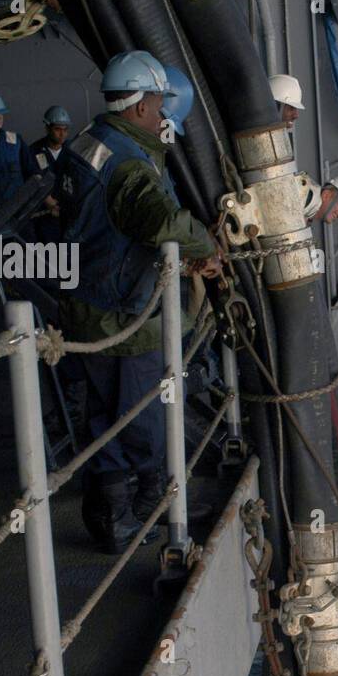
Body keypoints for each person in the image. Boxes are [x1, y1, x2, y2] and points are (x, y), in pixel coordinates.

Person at [57, 52, 220, 554]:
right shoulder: (131, 165)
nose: (159, 112)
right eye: (155, 103)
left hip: (87, 304)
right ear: (139, 106)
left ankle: (109, 516)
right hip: (126, 309)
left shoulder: (88, 143)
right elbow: (162, 224)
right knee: (143, 412)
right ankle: (152, 502)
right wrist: (205, 247)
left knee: (104, 413)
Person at [30, 105, 72, 242]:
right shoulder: (34, 152)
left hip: (69, 213)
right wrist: (49, 203)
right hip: (44, 215)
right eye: (58, 129)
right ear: (47, 128)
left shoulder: (73, 151)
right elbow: (33, 180)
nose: (62, 134)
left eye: (65, 130)